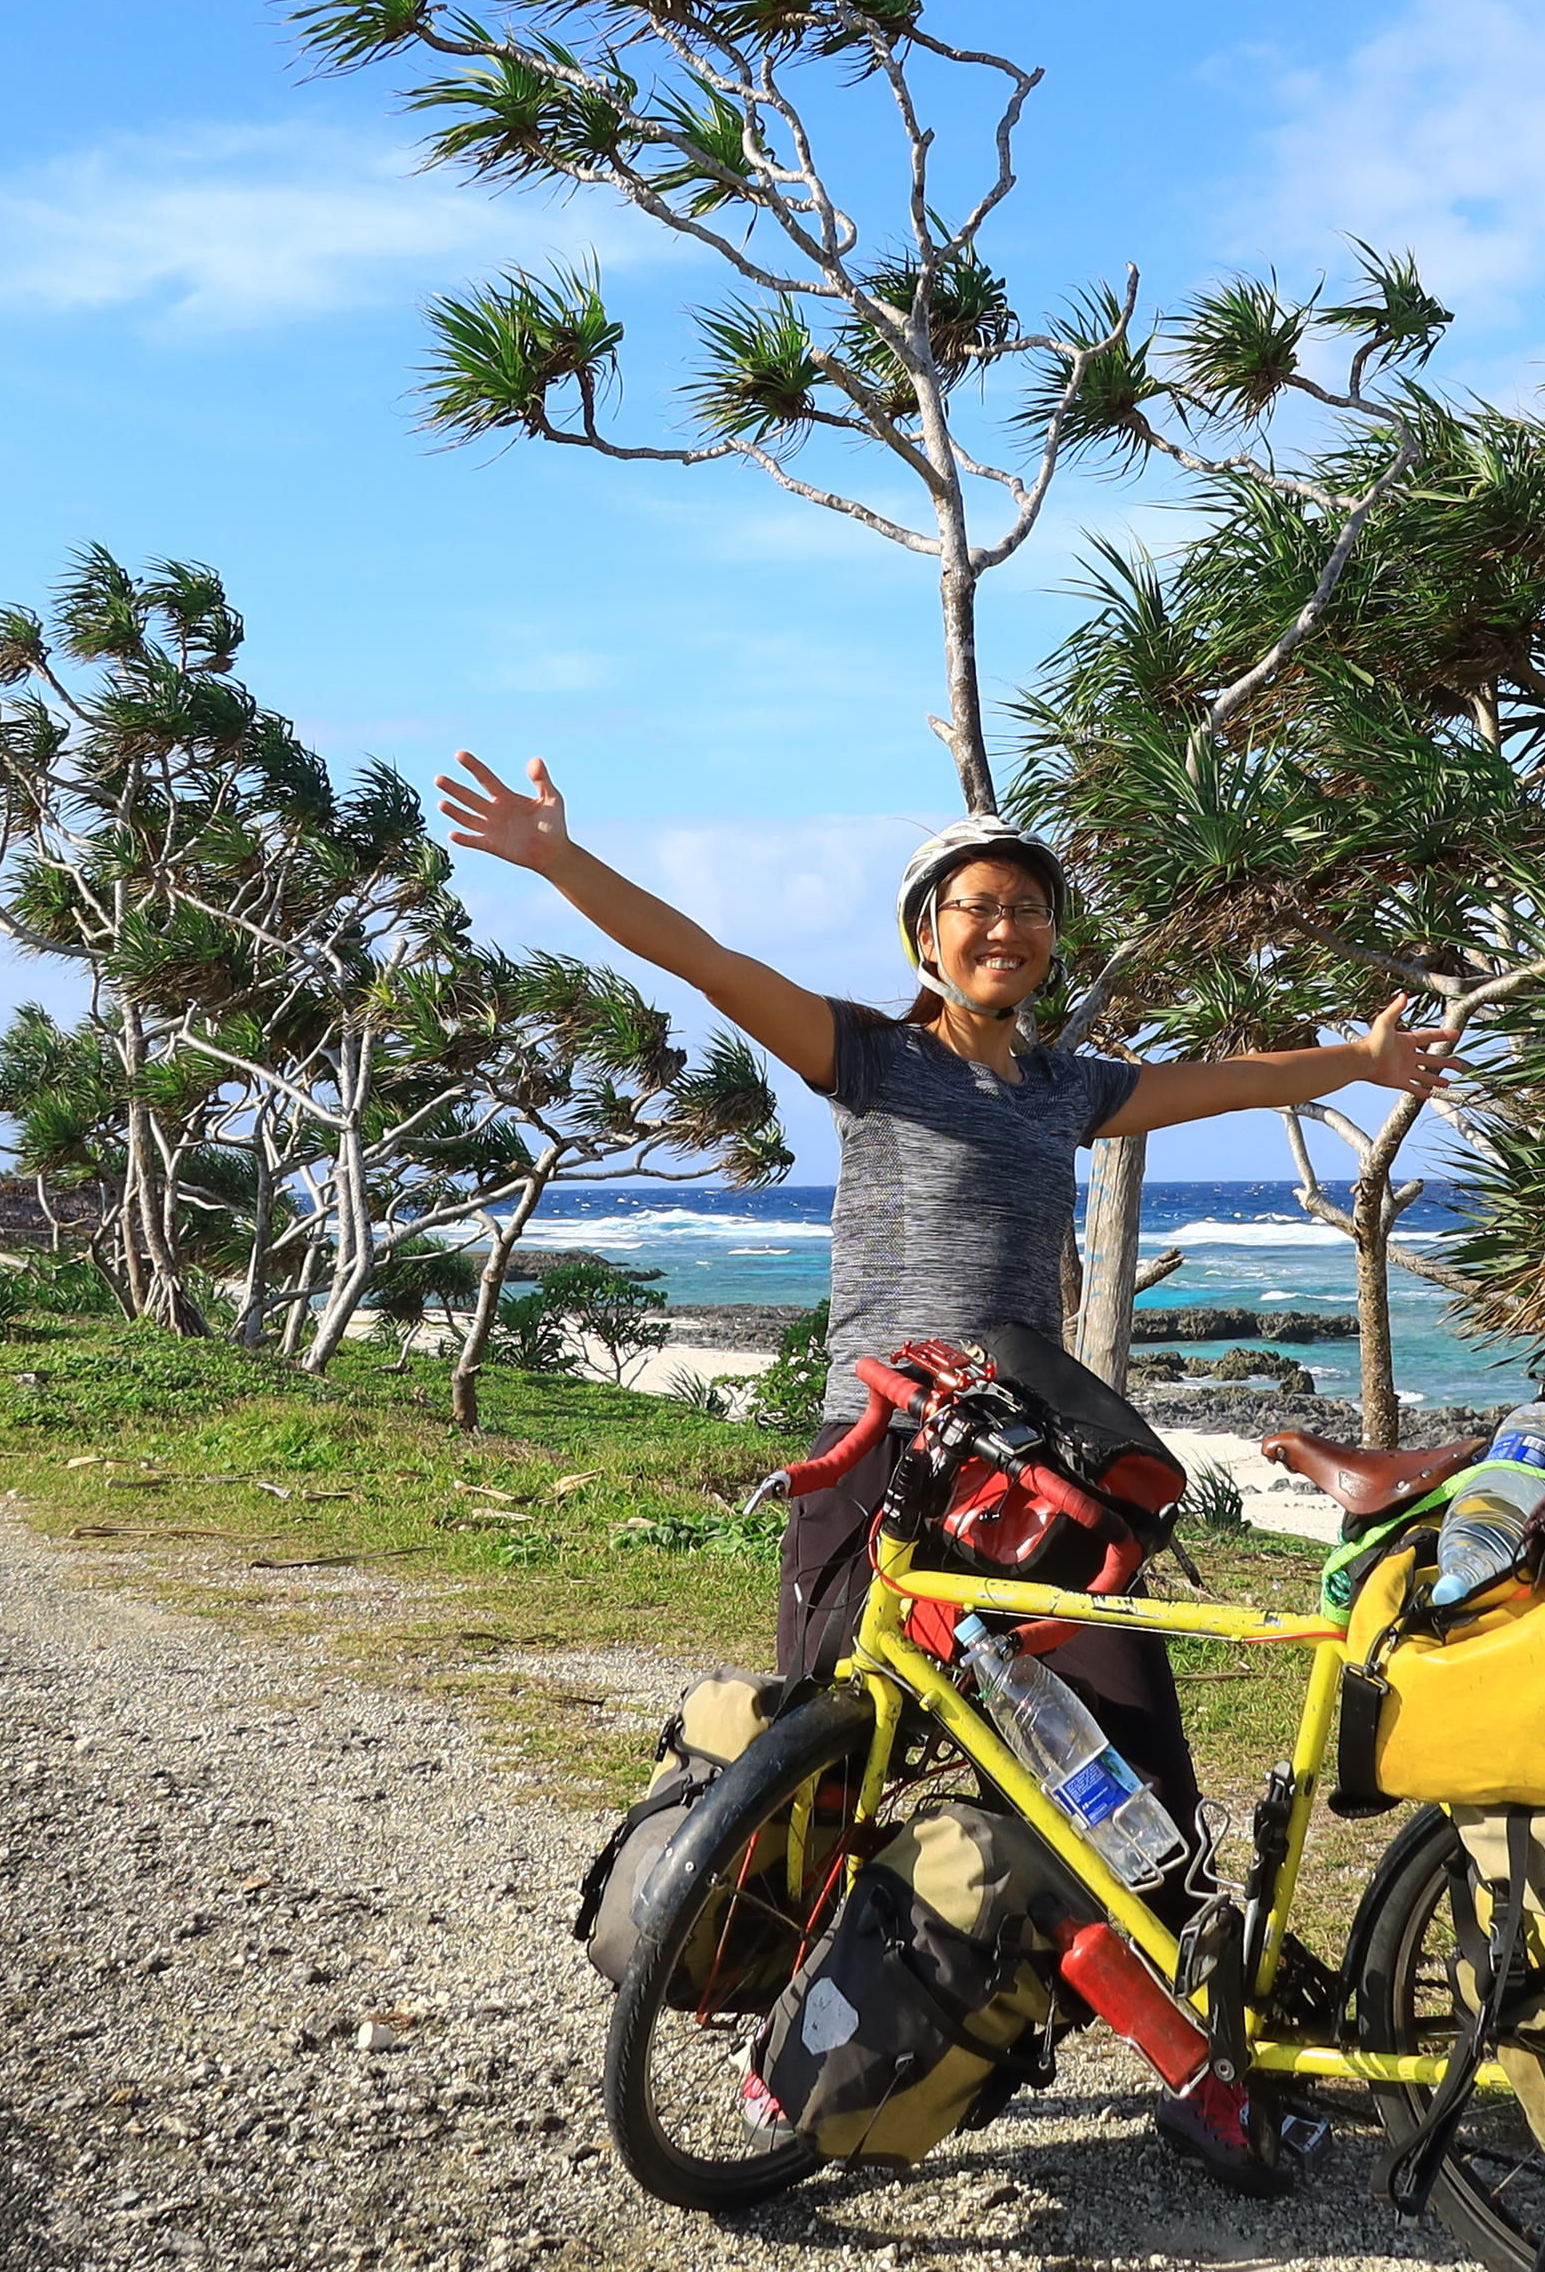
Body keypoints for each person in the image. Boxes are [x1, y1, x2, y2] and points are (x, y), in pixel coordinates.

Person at [434, 755, 1451, 1837]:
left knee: (1138, 1767)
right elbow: (709, 964)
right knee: (824, 1761)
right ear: (926, 934)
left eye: (1028, 909)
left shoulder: (1070, 1086)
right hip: (886, 1440)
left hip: (1034, 1459)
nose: (1004, 927)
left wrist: (1357, 1057)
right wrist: (555, 858)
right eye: (977, 905)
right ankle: (805, 1984)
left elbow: (1237, 1079)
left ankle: (1128, 1956)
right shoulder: (871, 1059)